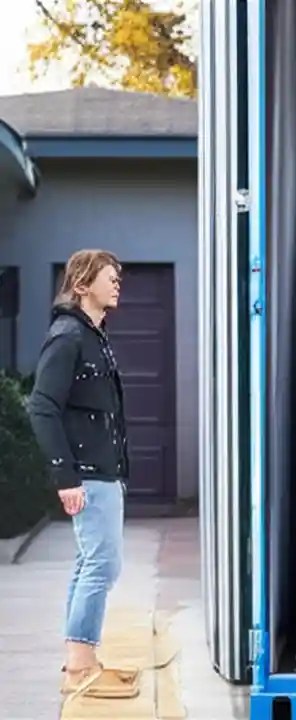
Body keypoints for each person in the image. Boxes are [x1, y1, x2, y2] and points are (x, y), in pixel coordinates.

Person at [26, 249, 138, 699]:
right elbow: (42, 406)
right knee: (102, 565)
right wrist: (65, 477)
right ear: (82, 284)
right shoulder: (68, 336)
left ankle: (81, 660)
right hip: (87, 475)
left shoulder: (95, 335)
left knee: (91, 563)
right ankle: (78, 667)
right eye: (109, 278)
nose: (117, 284)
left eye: (118, 278)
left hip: (104, 472)